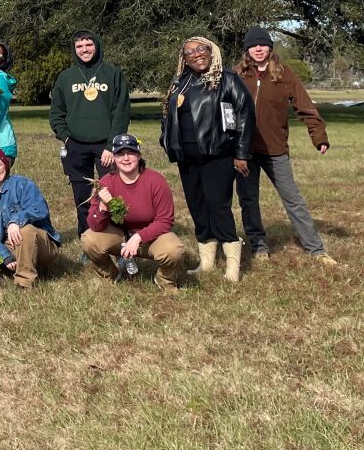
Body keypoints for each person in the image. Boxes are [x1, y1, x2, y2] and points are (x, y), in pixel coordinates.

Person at [234, 29, 338, 266]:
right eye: (253, 46)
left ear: (270, 48)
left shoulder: (284, 74)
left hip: (275, 149)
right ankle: (258, 245)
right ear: (247, 50)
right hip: (244, 151)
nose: (258, 49)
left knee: (293, 199)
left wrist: (318, 135)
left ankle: (315, 249)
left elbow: (306, 107)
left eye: (263, 45)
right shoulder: (237, 75)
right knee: (248, 200)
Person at [158, 35, 254, 284]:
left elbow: (244, 115)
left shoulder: (227, 80)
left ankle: (232, 263)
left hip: (218, 154)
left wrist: (241, 153)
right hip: (186, 157)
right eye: (190, 52)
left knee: (218, 205)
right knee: (198, 206)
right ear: (184, 58)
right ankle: (207, 263)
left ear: (212, 52)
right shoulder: (180, 83)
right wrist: (166, 139)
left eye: (202, 49)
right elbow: (167, 115)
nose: (197, 54)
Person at [47, 31, 132, 239]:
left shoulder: (112, 74)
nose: (84, 50)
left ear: (97, 46)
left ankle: (116, 238)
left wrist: (112, 145)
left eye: (88, 45)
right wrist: (66, 138)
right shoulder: (66, 77)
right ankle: (86, 239)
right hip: (76, 146)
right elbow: (56, 113)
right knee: (82, 197)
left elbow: (121, 112)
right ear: (74, 50)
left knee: (111, 195)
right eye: (79, 46)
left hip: (105, 147)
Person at [81, 133, 185, 292]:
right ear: (114, 158)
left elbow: (165, 221)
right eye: (121, 154)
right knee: (89, 238)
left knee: (173, 249)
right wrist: (102, 207)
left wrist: (138, 237)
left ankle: (165, 281)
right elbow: (94, 224)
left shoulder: (156, 181)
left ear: (139, 155)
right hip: (119, 237)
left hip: (149, 237)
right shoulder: (106, 182)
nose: (126, 158)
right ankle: (110, 275)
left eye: (131, 153)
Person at [0, 147, 60, 287]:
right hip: (11, 245)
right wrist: (4, 255)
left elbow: (40, 208)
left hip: (40, 244)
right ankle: (12, 265)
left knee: (26, 230)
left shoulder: (22, 184)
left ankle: (24, 281)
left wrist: (16, 221)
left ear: (5, 165)